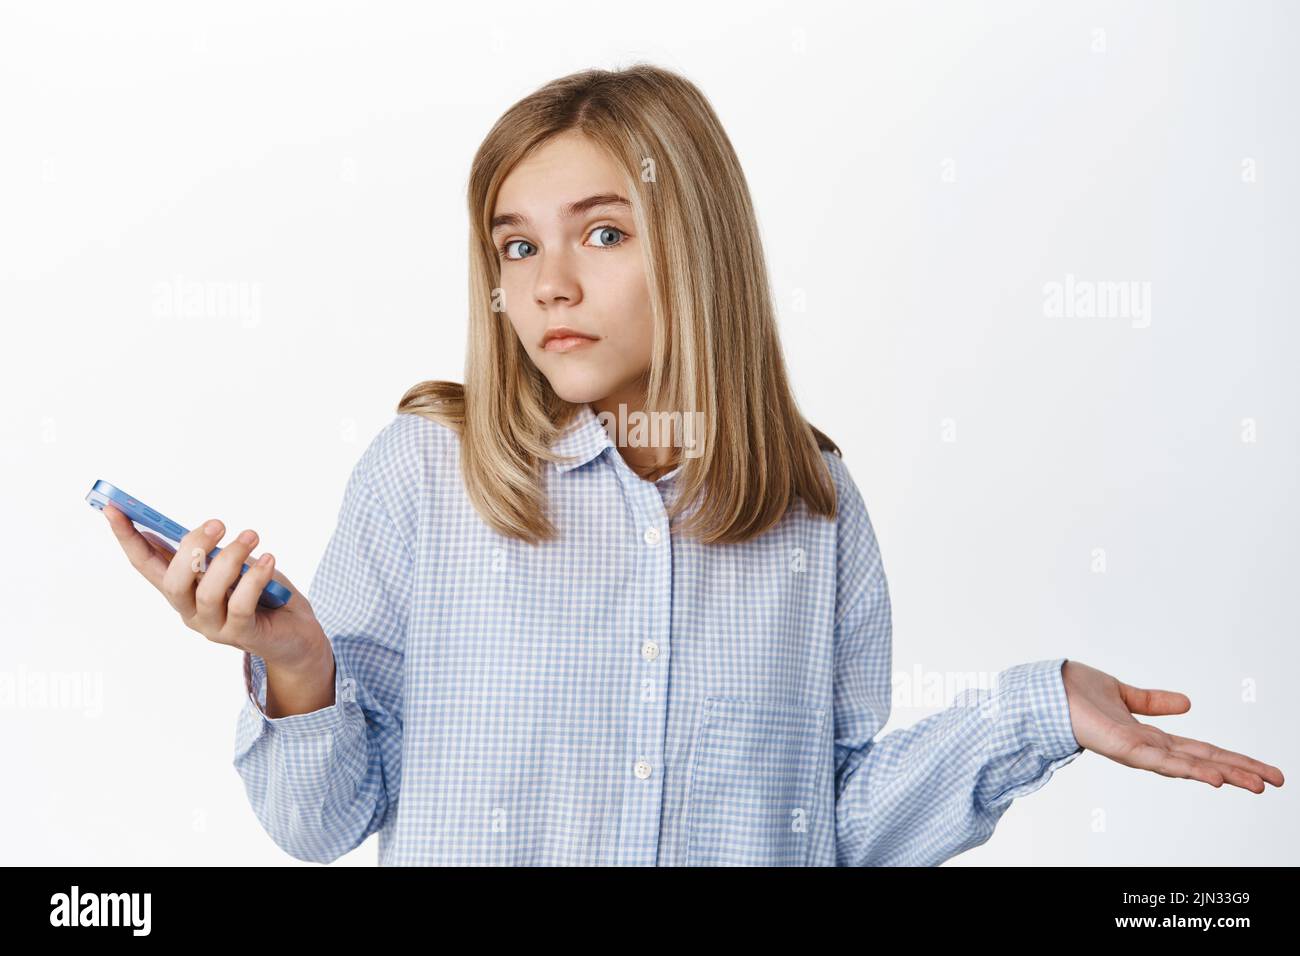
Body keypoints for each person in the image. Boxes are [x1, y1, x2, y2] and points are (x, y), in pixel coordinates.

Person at [103, 64, 1284, 866]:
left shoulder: (811, 505)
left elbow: (827, 824)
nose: (548, 280)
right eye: (516, 246)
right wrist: (298, 665)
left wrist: (1035, 713)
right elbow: (319, 823)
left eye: (601, 233)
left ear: (698, 244)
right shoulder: (429, 472)